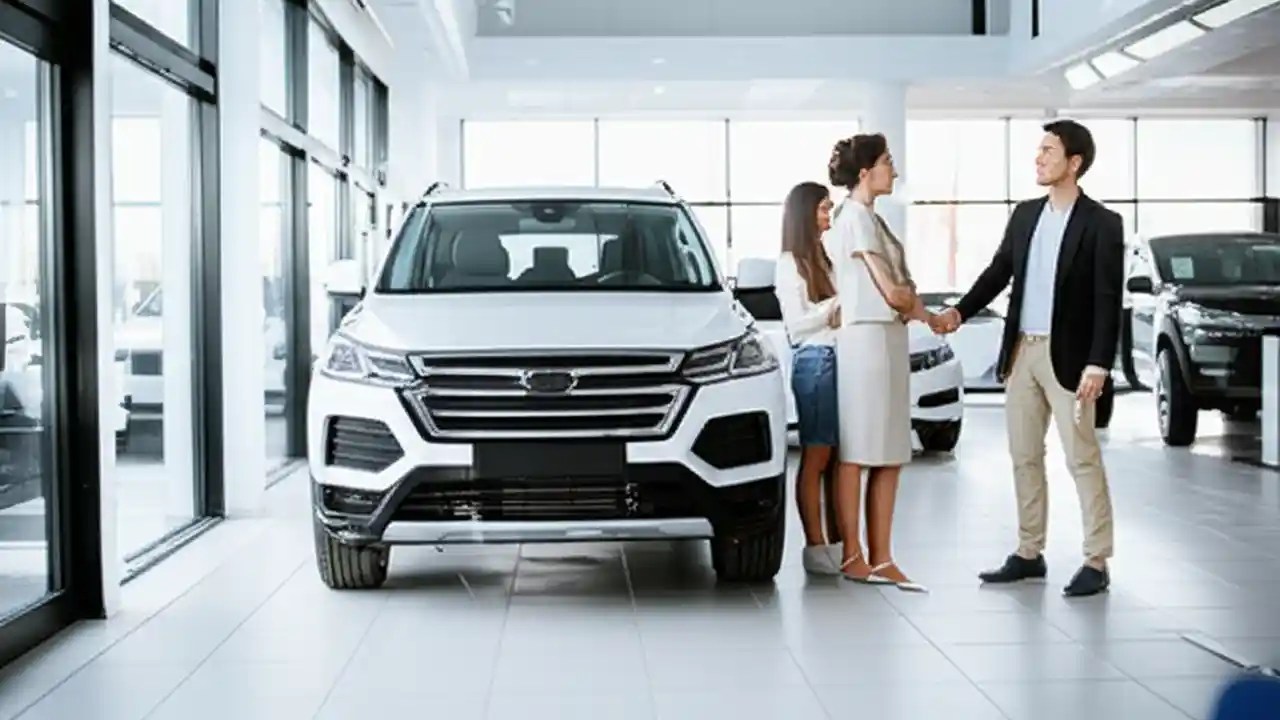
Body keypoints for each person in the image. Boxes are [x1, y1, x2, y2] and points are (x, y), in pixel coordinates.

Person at [931, 119, 1123, 598]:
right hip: (1023, 352)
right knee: (1023, 456)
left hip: (1072, 360)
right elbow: (999, 270)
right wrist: (959, 311)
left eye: (1048, 151)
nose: (1038, 158)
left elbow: (1106, 298)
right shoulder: (1024, 215)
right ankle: (1028, 553)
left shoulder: (1101, 223)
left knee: (1082, 457)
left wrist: (1099, 363)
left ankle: (1096, 560)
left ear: (1074, 162)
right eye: (1038, 150)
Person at [825, 133, 935, 591]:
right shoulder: (853, 217)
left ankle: (883, 556)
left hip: (888, 337)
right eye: (888, 162)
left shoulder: (874, 219)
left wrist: (923, 313)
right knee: (858, 450)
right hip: (866, 339)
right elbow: (892, 291)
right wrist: (928, 313)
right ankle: (853, 554)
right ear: (866, 171)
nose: (895, 170)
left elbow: (897, 289)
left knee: (889, 451)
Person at [775, 182, 843, 575]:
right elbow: (797, 327)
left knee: (836, 457)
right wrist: (834, 307)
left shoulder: (824, 256)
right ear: (804, 213)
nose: (827, 215)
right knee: (817, 454)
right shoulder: (789, 262)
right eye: (822, 208)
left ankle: (836, 542)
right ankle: (815, 547)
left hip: (837, 358)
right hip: (814, 361)